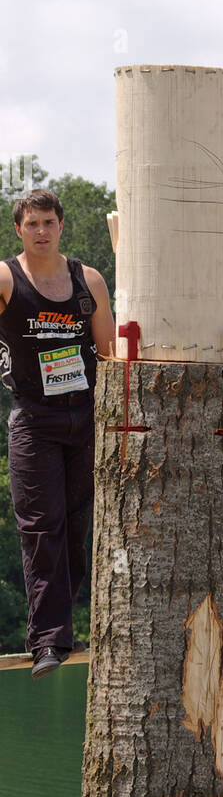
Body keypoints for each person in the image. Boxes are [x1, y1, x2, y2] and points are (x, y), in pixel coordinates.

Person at [0, 189, 115, 679]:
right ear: (19, 230)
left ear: (61, 226)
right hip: (34, 419)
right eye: (32, 224)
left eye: (49, 222)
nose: (41, 231)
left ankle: (68, 633)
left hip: (85, 417)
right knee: (40, 527)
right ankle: (47, 641)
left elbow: (110, 352)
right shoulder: (6, 278)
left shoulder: (86, 280)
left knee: (74, 525)